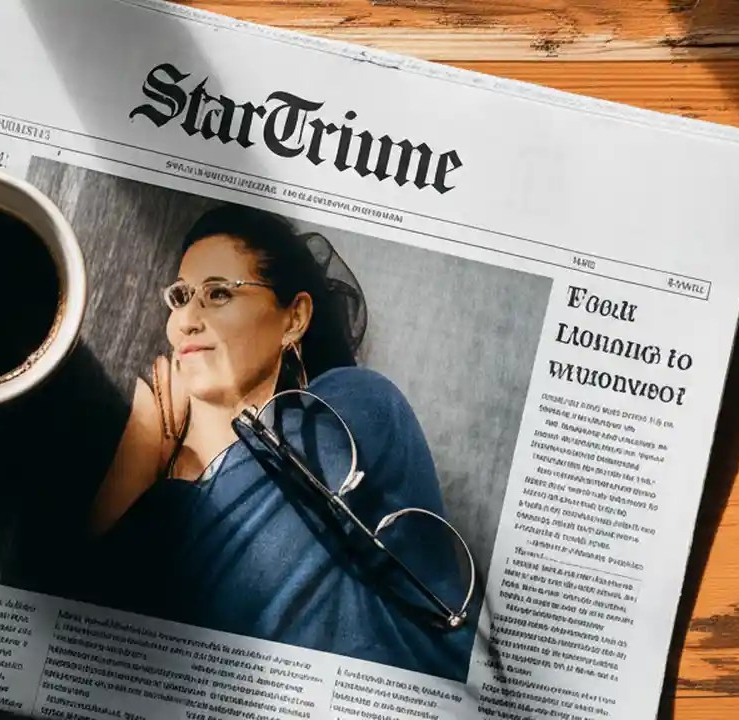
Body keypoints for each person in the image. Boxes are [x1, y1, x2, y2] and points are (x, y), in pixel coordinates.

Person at [82, 204, 474, 681]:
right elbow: (83, 624)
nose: (185, 320)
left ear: (294, 319)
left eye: (218, 293)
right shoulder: (161, 490)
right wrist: (142, 446)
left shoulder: (354, 406)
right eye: (181, 297)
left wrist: (166, 451)